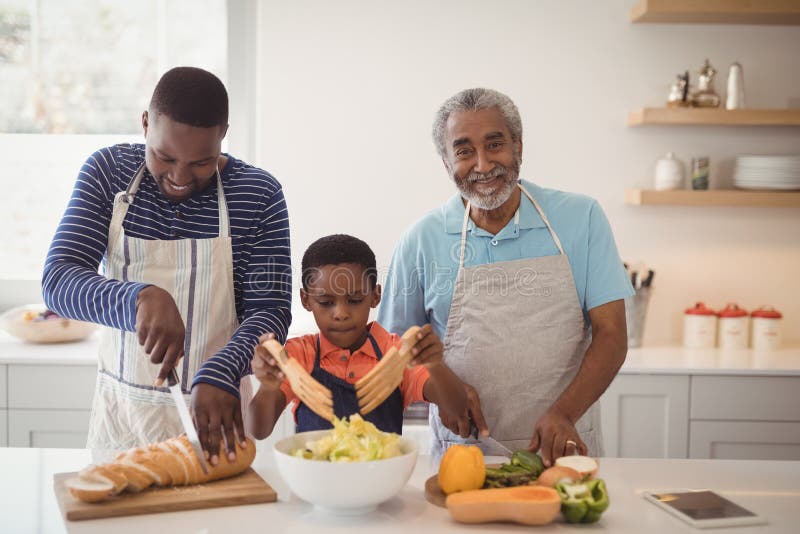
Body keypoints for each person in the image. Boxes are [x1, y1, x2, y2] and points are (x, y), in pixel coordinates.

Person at [42, 67, 291, 465]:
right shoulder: (108, 172)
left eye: (201, 163)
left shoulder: (259, 194)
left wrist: (223, 369)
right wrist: (138, 298)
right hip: (123, 425)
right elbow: (58, 280)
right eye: (164, 156)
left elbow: (270, 311)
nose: (179, 177)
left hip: (220, 423)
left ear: (223, 133)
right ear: (145, 123)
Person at [378, 88, 633, 464]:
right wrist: (437, 390)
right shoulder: (421, 239)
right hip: (463, 456)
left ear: (518, 147)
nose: (482, 165)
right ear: (446, 163)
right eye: (464, 151)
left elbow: (612, 334)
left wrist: (564, 414)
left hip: (563, 450)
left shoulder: (581, 218)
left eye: (495, 144)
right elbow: (391, 349)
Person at [247, 234, 466, 437]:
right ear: (306, 300)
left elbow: (457, 408)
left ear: (375, 296)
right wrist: (267, 386)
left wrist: (435, 364)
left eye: (355, 300)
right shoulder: (298, 355)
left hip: (383, 478)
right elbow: (258, 430)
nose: (341, 314)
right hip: (316, 478)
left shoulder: (395, 353)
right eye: (326, 303)